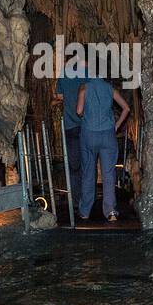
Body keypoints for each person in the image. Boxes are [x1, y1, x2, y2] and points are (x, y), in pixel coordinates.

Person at [75, 72, 130, 222]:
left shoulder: (84, 87)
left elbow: (79, 111)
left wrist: (87, 115)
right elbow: (126, 108)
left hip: (89, 134)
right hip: (108, 135)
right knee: (109, 173)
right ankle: (111, 211)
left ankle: (85, 211)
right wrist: (116, 126)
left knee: (88, 172)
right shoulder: (110, 88)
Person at [54, 65, 85, 207]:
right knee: (88, 164)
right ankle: (86, 200)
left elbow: (59, 96)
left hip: (70, 125)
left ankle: (75, 200)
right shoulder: (89, 74)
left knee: (74, 166)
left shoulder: (64, 75)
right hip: (87, 125)